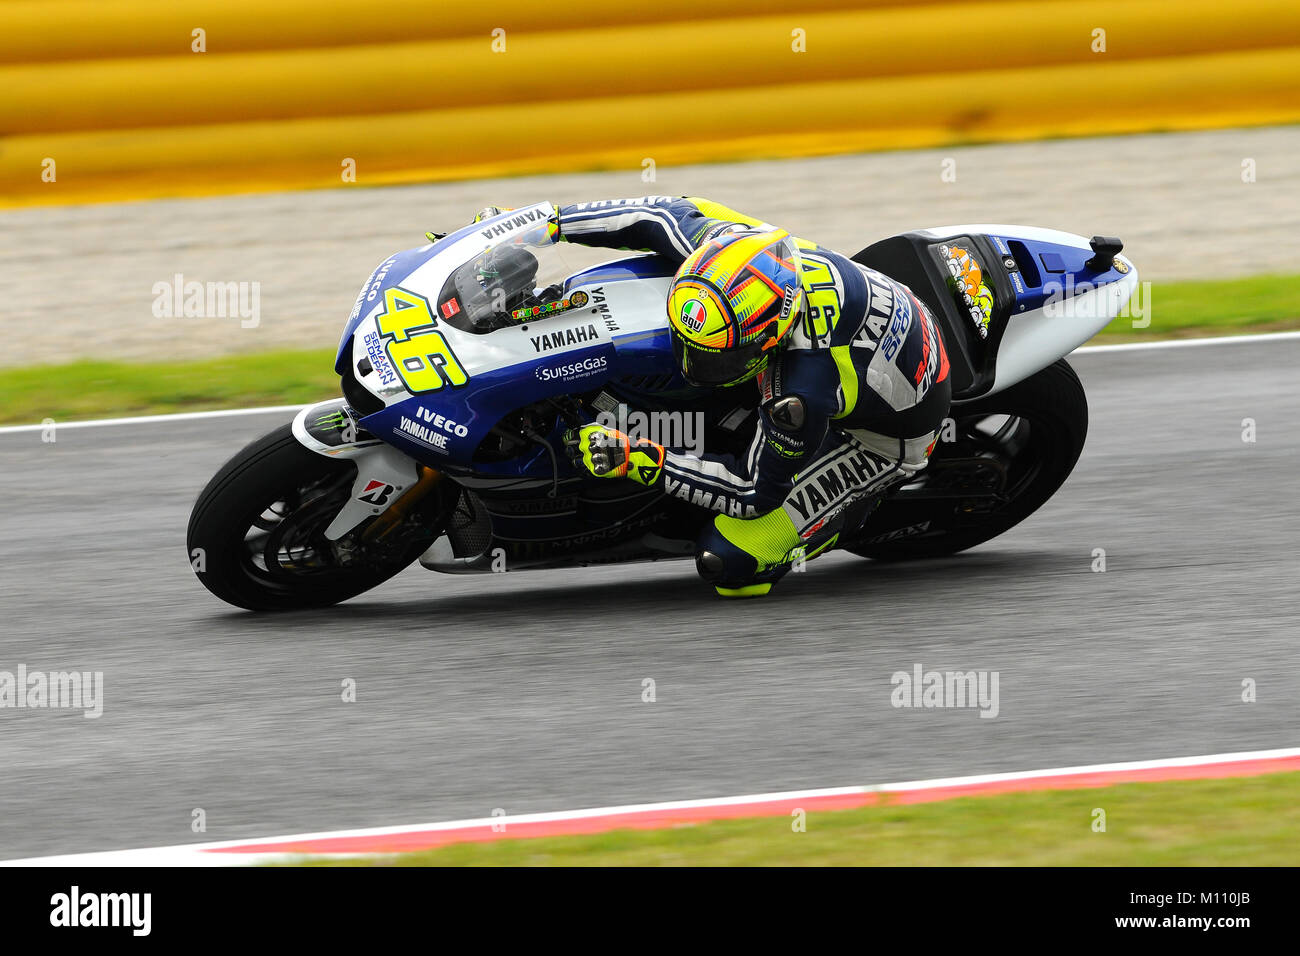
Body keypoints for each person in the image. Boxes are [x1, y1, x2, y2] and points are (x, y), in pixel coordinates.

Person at [553, 197, 951, 596]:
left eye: (721, 360)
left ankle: (855, 510)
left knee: (728, 561)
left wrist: (640, 459)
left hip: (883, 436)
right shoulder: (732, 253)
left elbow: (753, 492)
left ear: (774, 335)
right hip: (883, 322)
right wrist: (547, 222)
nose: (693, 367)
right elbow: (656, 215)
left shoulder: (801, 392)